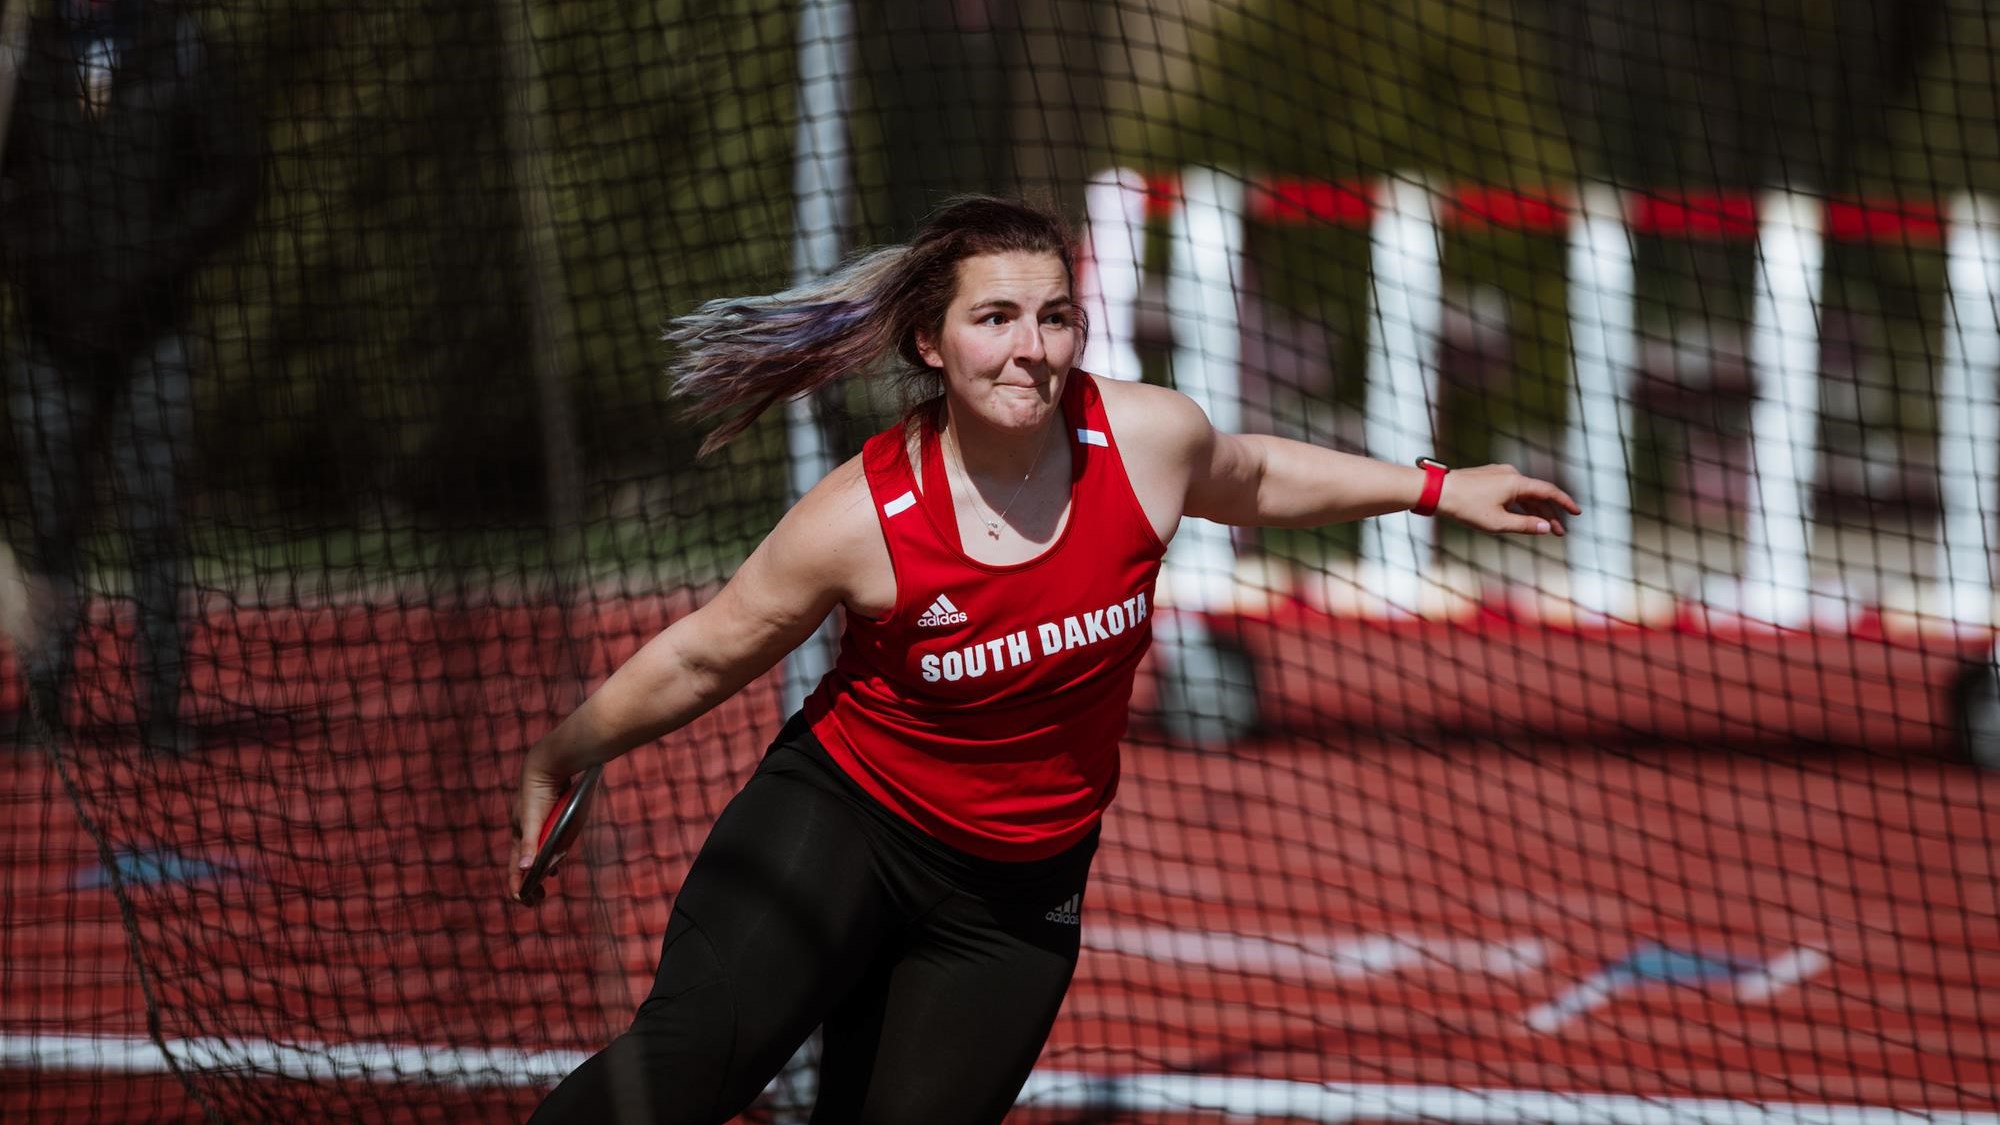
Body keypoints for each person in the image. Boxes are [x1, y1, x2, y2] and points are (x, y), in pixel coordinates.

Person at [511, 196, 1579, 1124]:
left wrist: (1438, 487)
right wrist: (561, 753)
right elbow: (705, 655)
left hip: (1014, 896)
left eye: (1054, 315)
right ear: (930, 344)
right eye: (994, 318)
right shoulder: (863, 516)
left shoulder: (1144, 441)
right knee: (688, 1072)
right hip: (842, 829)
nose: (1034, 347)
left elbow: (1249, 476)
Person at [0, 0, 260, 751]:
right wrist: (37, 267)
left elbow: (235, 173)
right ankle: (45, 703)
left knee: (156, 522)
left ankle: (164, 710)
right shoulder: (26, 55)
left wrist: (156, 261)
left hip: (154, 331)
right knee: (50, 523)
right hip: (50, 335)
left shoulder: (179, 46)